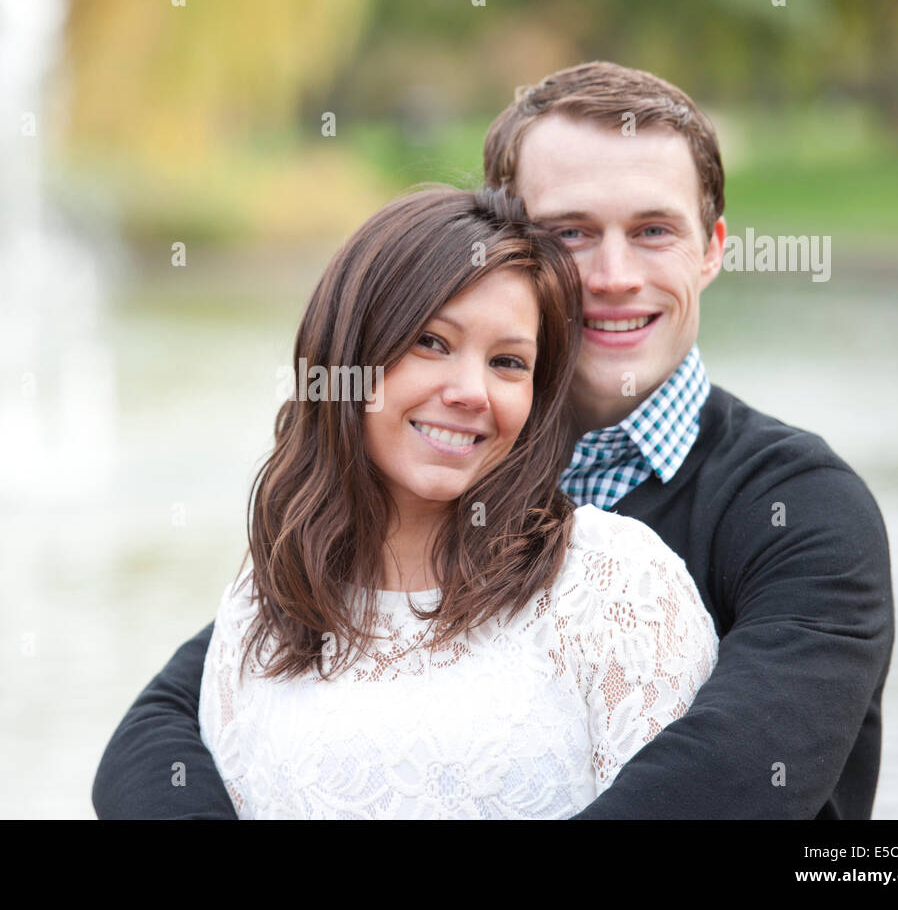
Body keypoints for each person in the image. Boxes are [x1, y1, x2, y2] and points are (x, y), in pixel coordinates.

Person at [92, 61, 895, 820]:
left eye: (654, 231)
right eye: (571, 233)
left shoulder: (803, 508)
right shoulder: (428, 476)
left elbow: (732, 776)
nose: (614, 274)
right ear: (501, 242)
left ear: (713, 248)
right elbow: (171, 719)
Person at [196, 186, 718, 818]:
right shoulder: (261, 601)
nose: (471, 392)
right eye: (432, 343)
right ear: (348, 352)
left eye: (507, 362)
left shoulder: (615, 584)